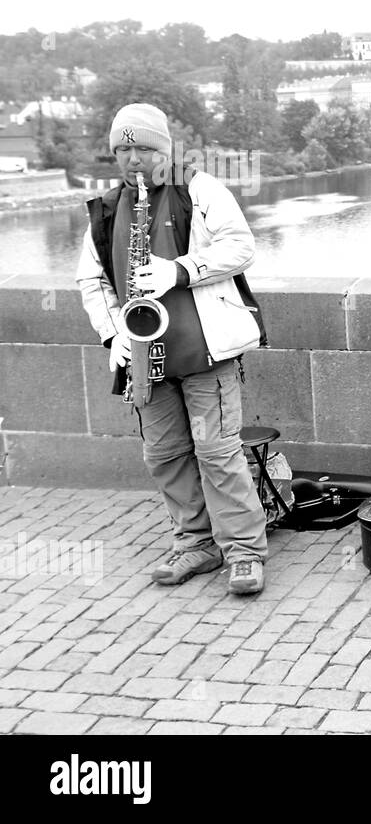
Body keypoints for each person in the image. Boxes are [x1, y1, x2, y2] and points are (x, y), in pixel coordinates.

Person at [76, 103, 269, 593]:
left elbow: (240, 246)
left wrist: (178, 270)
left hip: (205, 350)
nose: (134, 159)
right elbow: (93, 280)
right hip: (145, 354)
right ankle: (196, 545)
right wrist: (112, 334)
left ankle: (243, 551)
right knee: (164, 455)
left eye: (144, 147)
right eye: (124, 149)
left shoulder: (200, 188)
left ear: (165, 147)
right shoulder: (105, 208)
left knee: (217, 452)